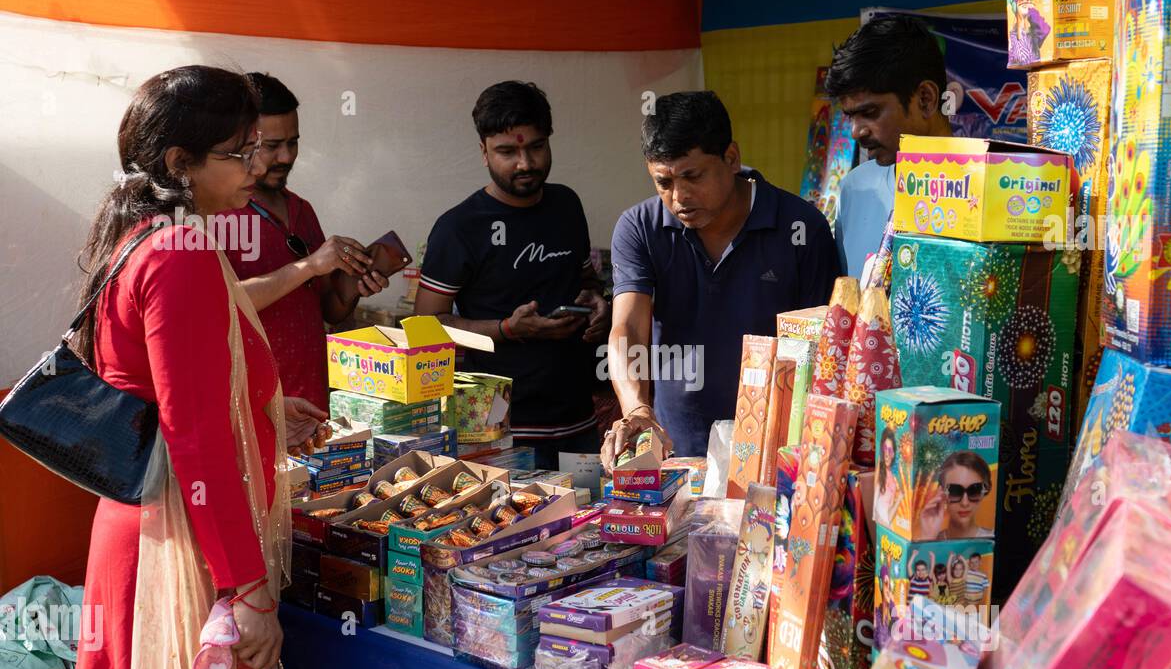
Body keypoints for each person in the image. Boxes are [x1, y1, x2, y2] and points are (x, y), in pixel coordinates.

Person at [68, 66, 331, 669]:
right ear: (179, 164)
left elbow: (162, 393)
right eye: (238, 152)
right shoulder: (178, 253)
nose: (257, 167)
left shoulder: (146, 237)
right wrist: (247, 586)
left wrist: (270, 415)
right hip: (186, 544)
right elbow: (194, 434)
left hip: (157, 525)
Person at [604, 91, 841, 464]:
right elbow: (628, 329)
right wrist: (636, 410)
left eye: (692, 176)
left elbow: (822, 347)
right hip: (675, 450)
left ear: (732, 158)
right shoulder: (639, 228)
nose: (679, 196)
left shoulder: (801, 227)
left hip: (777, 450)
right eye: (663, 183)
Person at [415, 81, 609, 470]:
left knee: (588, 526)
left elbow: (586, 280)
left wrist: (597, 303)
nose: (525, 163)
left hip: (577, 421)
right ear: (483, 152)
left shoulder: (566, 204)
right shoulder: (459, 227)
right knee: (512, 529)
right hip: (496, 431)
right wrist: (506, 329)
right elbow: (423, 329)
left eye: (536, 147)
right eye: (508, 151)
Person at [221, 73, 389, 409]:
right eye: (271, 146)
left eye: (293, 142)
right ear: (238, 143)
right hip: (250, 408)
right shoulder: (218, 213)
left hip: (310, 401)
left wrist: (352, 285)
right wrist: (309, 265)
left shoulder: (302, 209)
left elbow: (329, 309)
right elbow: (222, 303)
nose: (285, 157)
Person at [824, 15, 954, 286]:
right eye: (850, 117)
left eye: (870, 112)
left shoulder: (992, 187)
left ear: (925, 99)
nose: (856, 132)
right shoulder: (853, 191)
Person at [917, 451, 996, 540]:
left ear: (986, 489)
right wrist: (928, 536)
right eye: (954, 491)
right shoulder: (930, 539)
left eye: (974, 490)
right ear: (941, 492)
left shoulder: (994, 540)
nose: (965, 503)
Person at [873, 428, 901, 525]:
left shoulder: (892, 476)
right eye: (885, 449)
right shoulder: (880, 468)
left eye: (890, 450)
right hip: (882, 517)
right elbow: (876, 490)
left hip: (888, 520)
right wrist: (874, 514)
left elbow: (891, 507)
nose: (887, 454)